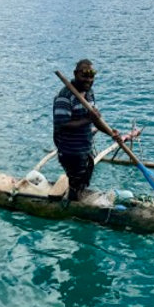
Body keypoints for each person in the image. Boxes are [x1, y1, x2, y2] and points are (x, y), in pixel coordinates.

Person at [53, 59, 118, 201]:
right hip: (70, 150)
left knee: (85, 177)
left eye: (91, 76)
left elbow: (95, 119)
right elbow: (62, 124)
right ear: (75, 74)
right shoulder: (65, 96)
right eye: (84, 75)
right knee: (76, 182)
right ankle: (72, 208)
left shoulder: (89, 94)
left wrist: (111, 133)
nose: (88, 80)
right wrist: (89, 119)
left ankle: (77, 197)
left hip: (85, 148)